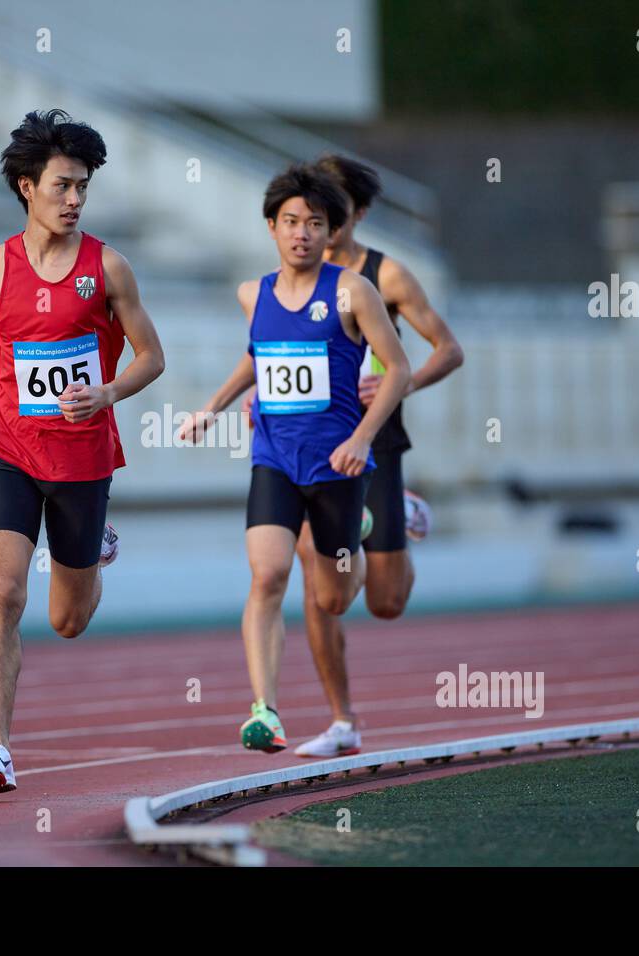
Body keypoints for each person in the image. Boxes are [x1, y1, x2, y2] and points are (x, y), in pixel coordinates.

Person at [0, 109, 165, 792]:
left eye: (83, 188)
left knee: (67, 619)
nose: (74, 200)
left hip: (83, 458)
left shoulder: (108, 268)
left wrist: (107, 392)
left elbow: (152, 358)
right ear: (26, 187)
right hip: (9, 449)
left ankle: (94, 548)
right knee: (4, 592)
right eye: (63, 186)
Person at [181, 163, 410, 753]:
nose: (301, 233)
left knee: (334, 596)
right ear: (271, 228)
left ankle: (355, 533)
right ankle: (266, 710)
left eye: (313, 223)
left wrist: (361, 437)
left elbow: (398, 369)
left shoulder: (352, 291)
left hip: (336, 462)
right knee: (269, 575)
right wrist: (211, 406)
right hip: (275, 458)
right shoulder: (252, 293)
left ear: (331, 229)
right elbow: (257, 357)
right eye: (290, 222)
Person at [290, 154, 463, 758]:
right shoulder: (292, 273)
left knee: (385, 603)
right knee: (318, 572)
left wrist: (398, 380)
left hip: (375, 440)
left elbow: (447, 349)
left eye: (331, 211)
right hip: (306, 443)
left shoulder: (387, 277)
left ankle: (402, 514)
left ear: (357, 214)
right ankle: (342, 720)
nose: (316, 222)